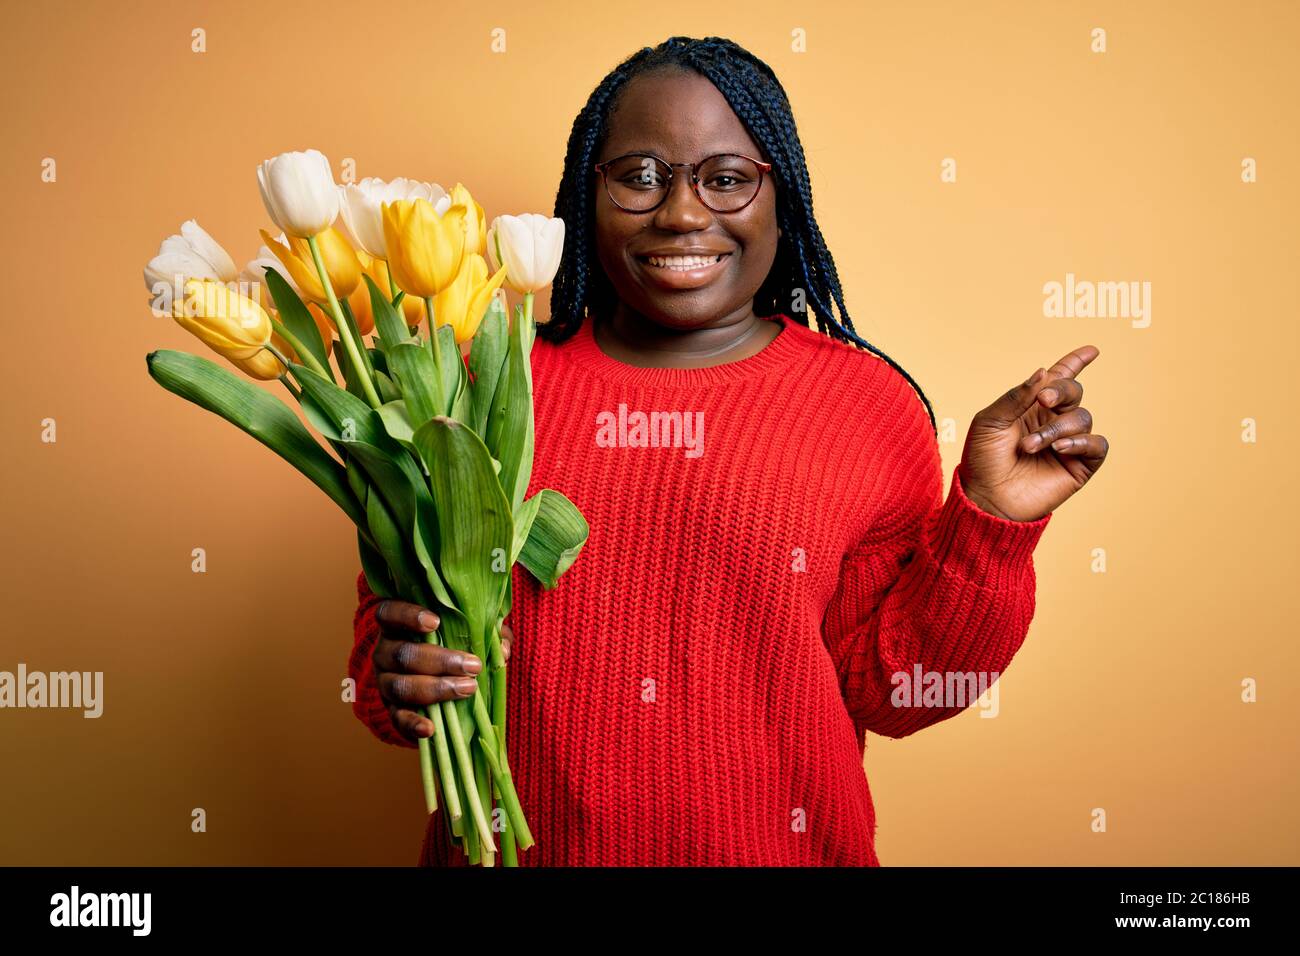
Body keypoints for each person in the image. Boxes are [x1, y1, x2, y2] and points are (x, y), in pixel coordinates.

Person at [347, 36, 1108, 866]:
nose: (680, 212)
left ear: (781, 200)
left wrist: (989, 521)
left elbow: (892, 693)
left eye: (727, 178)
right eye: (639, 176)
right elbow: (383, 658)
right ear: (583, 195)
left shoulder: (866, 406)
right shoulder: (474, 383)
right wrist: (399, 677)